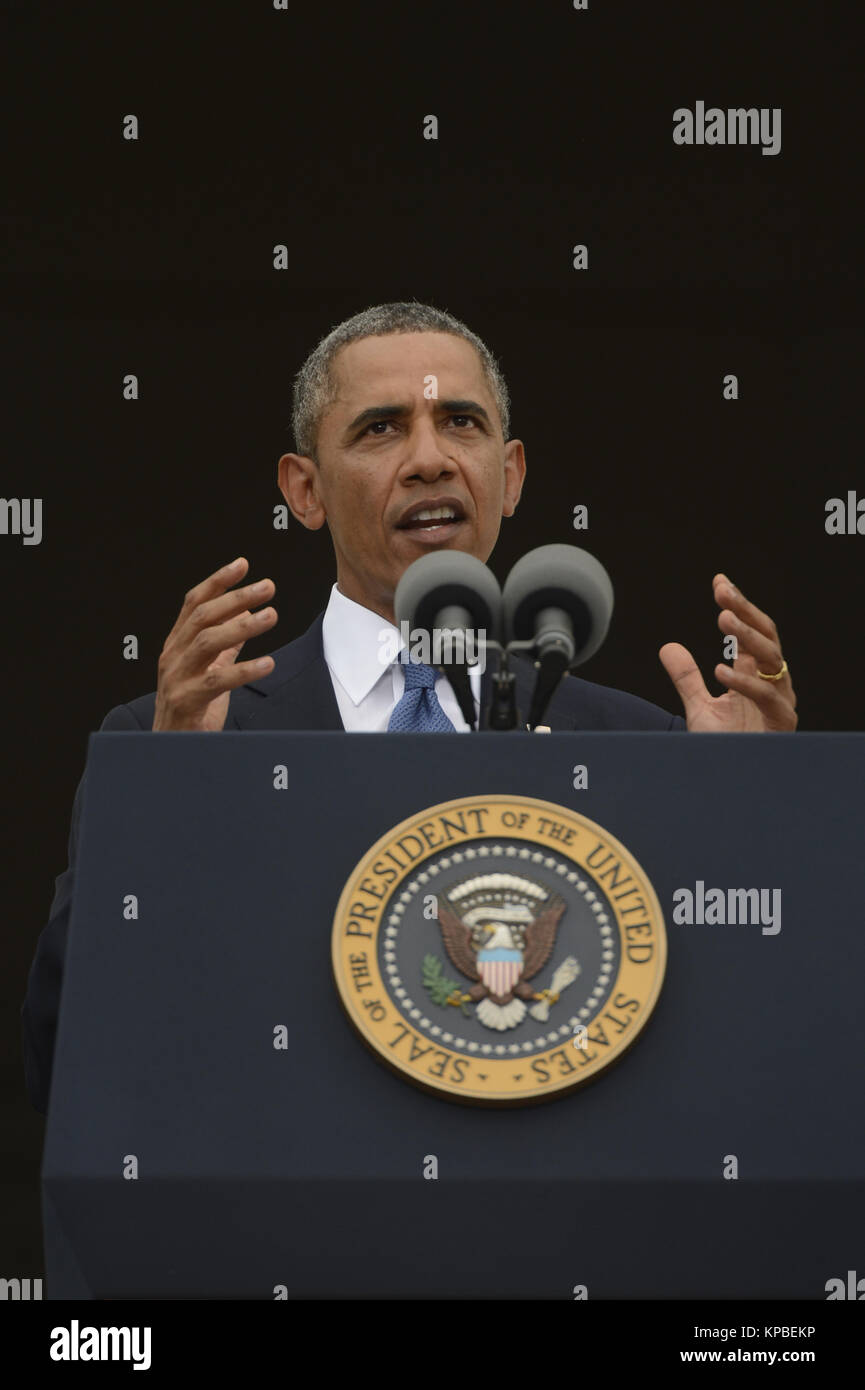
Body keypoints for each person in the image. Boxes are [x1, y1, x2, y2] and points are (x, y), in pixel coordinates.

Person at [21, 302, 797, 1112]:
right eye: (380, 430)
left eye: (460, 423)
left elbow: (758, 1059)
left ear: (511, 475)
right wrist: (169, 798)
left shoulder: (646, 747)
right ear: (304, 490)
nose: (429, 459)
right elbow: (62, 1061)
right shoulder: (179, 740)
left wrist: (754, 816)